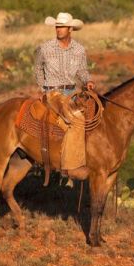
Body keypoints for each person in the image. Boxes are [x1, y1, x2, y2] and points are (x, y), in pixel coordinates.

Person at [34, 12, 95, 171]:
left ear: (70, 29)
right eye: (57, 26)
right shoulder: (45, 48)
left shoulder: (79, 50)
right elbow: (38, 69)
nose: (58, 29)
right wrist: (42, 88)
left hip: (72, 92)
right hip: (53, 93)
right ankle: (70, 166)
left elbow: (82, 70)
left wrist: (87, 81)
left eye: (62, 27)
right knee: (77, 120)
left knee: (94, 118)